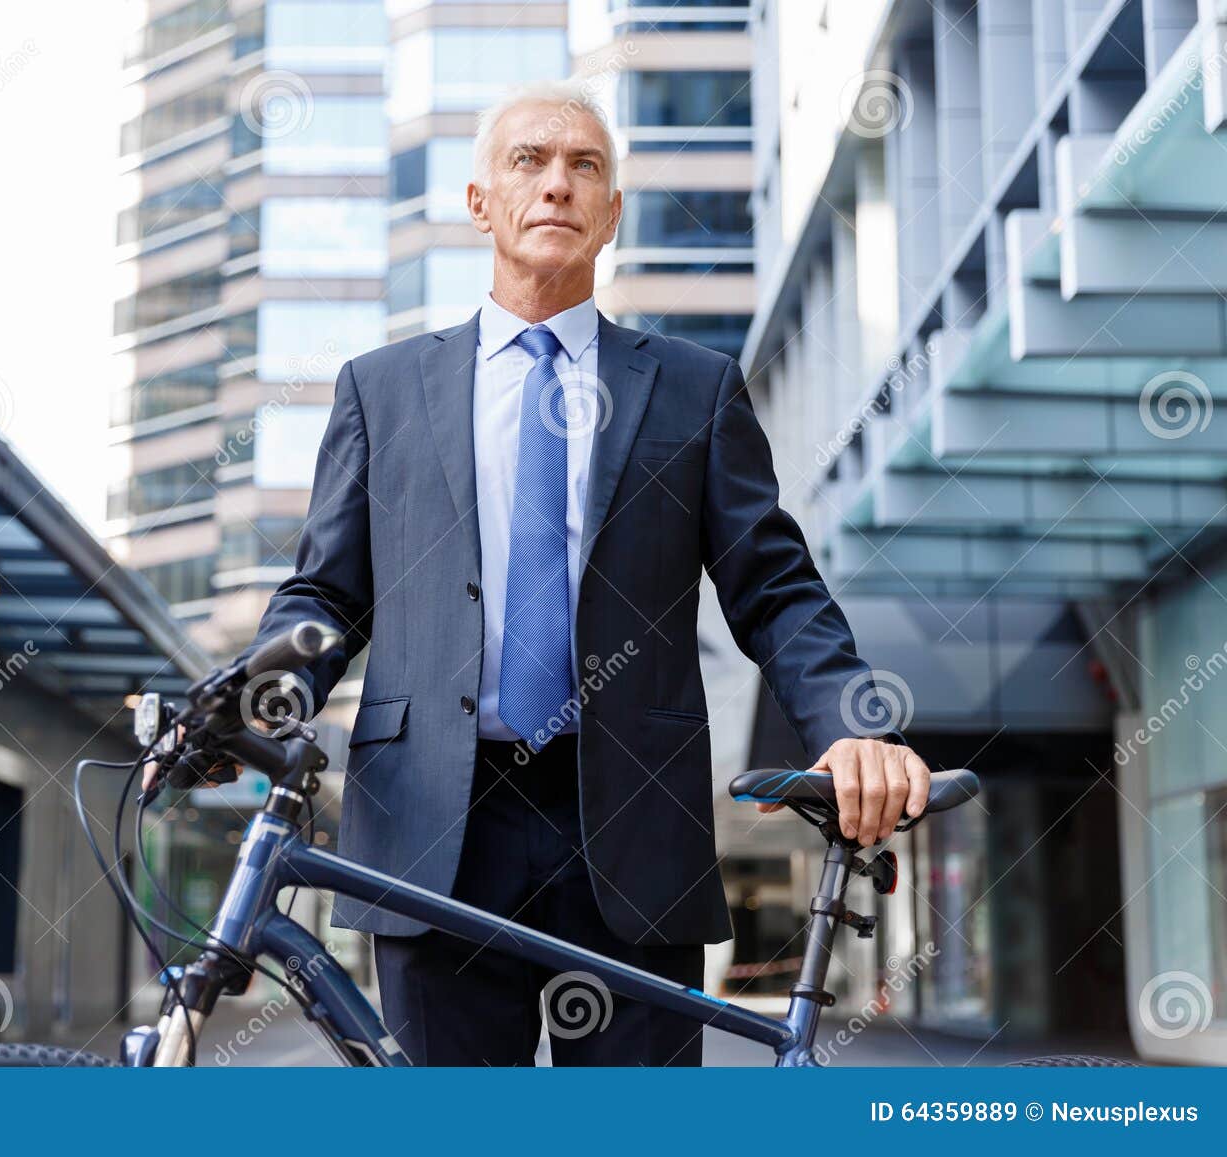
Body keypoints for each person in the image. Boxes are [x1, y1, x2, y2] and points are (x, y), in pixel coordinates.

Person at [148, 78, 930, 1066]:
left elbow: (774, 588)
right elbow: (326, 596)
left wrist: (853, 724)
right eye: (529, 161)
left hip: (631, 823)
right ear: (480, 202)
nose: (557, 183)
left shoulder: (693, 389)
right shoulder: (381, 391)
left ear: (612, 211)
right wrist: (261, 697)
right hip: (434, 828)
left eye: (583, 166)